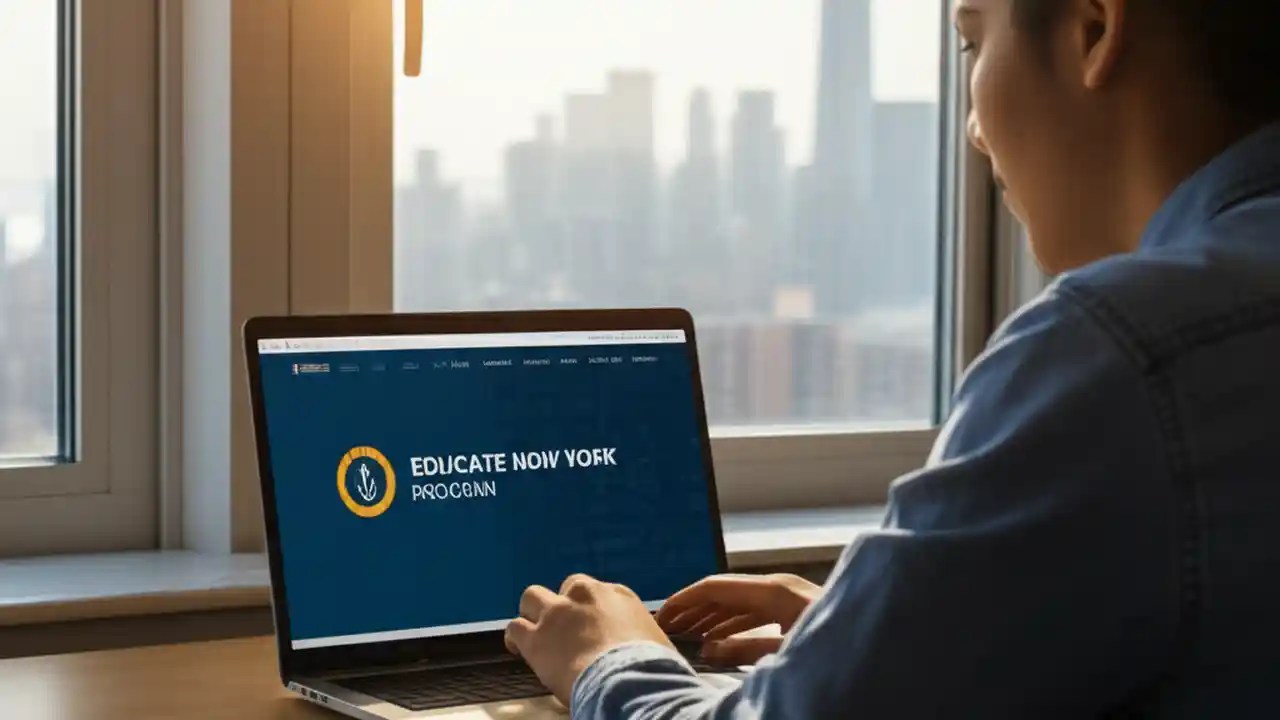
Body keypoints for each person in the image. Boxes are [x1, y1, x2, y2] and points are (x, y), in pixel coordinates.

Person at [503, 0, 1280, 715]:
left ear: (1094, 29)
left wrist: (609, 659)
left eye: (972, 42)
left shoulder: (1117, 354)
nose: (974, 131)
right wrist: (889, 637)